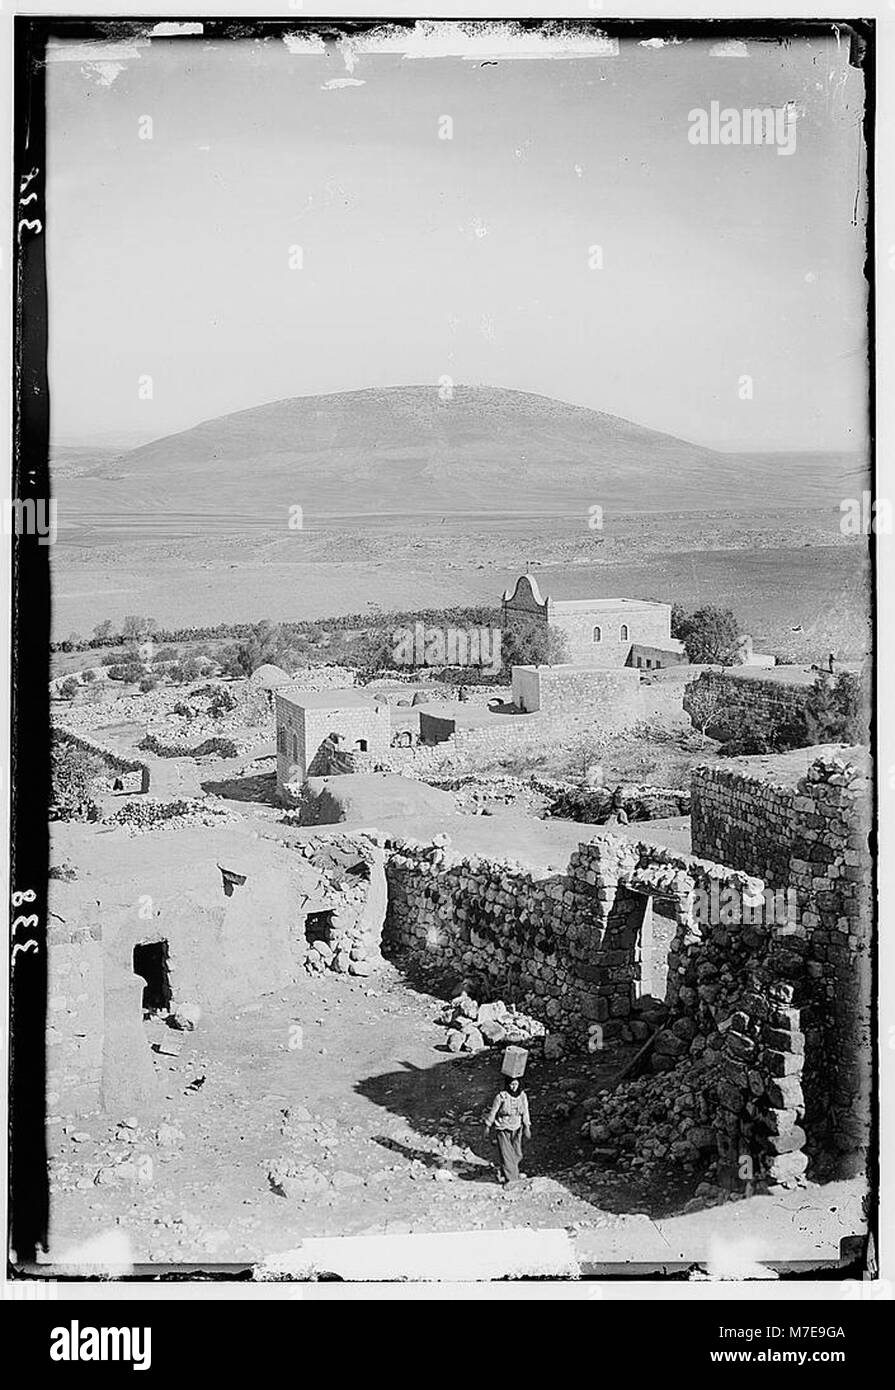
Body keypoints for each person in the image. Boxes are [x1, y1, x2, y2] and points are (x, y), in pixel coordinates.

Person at [484, 1076, 531, 1186]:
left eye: (516, 1084)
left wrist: (527, 1126)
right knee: (507, 1154)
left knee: (517, 1153)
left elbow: (525, 1111)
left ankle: (507, 1172)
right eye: (511, 1084)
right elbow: (493, 1111)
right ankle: (511, 1179)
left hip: (517, 1127)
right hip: (503, 1127)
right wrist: (487, 1126)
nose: (514, 1087)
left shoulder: (522, 1096)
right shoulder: (501, 1097)